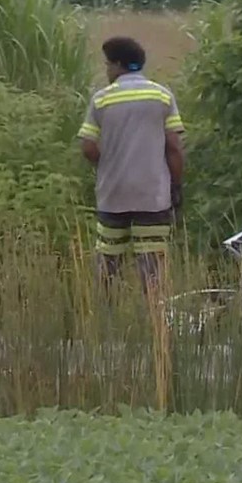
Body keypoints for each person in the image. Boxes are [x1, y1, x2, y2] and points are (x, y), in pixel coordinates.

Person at [77, 36, 186, 301]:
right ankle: (155, 325)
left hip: (112, 194)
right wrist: (176, 185)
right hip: (152, 196)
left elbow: (87, 146)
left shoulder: (101, 100)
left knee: (107, 264)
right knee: (152, 270)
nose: (106, 70)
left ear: (117, 65)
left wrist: (109, 164)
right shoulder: (162, 96)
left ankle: (104, 322)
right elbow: (174, 146)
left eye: (107, 64)